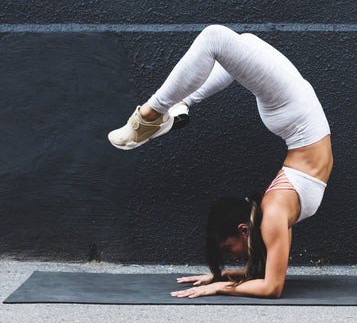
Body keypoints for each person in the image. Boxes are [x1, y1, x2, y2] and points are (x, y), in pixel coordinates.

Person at [108, 24, 333, 298]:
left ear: (243, 230)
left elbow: (271, 287)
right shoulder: (272, 216)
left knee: (221, 39)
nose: (235, 258)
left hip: (292, 110)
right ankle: (179, 106)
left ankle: (148, 117)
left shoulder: (272, 214)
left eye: (229, 250)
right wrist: (223, 277)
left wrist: (221, 286)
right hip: (294, 110)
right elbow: (267, 279)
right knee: (234, 46)